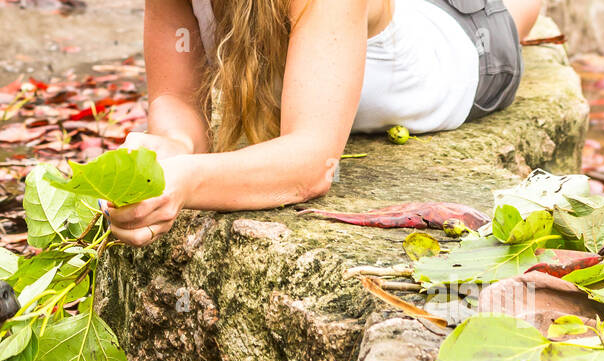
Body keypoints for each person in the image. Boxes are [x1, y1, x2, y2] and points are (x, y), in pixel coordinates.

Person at [108, 0, 544, 245]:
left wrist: (186, 182)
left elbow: (312, 162)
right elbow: (175, 95)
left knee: (516, 11)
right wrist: (171, 146)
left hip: (466, 41)